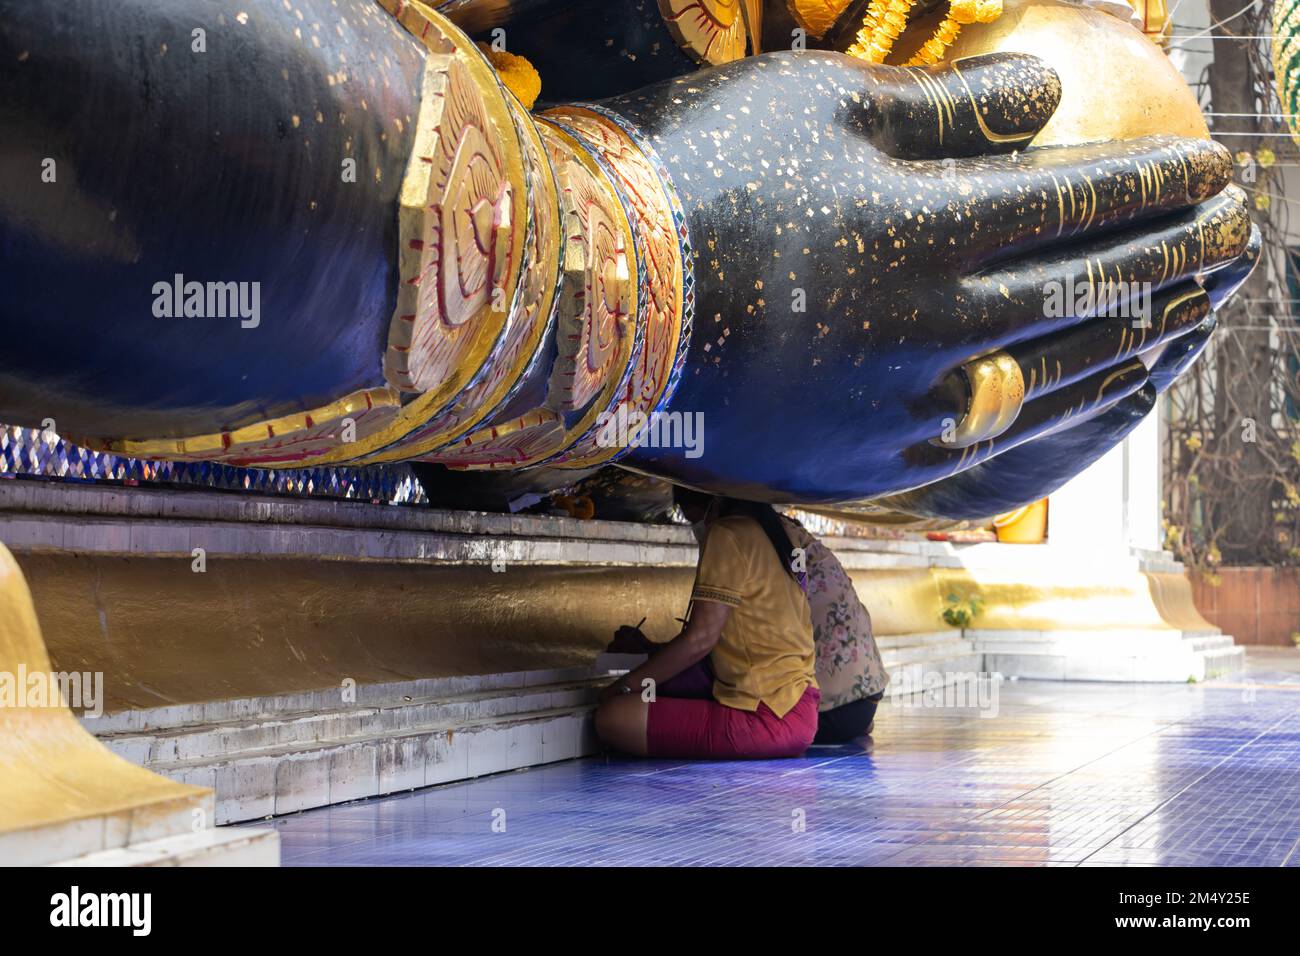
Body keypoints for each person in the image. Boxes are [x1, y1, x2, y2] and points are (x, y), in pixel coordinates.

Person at [594, 487, 820, 759]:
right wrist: (650, 655)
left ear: (715, 500)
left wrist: (625, 686)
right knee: (663, 684)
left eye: (694, 519)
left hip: (766, 719)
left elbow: (701, 640)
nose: (699, 528)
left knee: (612, 717)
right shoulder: (779, 533)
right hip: (800, 709)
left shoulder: (727, 533)